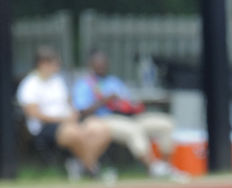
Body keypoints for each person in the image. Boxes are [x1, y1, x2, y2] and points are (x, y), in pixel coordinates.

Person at [72, 49, 177, 178]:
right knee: (134, 130)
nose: (101, 66)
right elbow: (81, 111)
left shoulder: (114, 81)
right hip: (104, 119)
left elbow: (128, 101)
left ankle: (166, 167)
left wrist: (132, 105)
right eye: (97, 63)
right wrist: (104, 101)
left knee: (165, 123)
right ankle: (153, 168)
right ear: (91, 65)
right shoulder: (84, 84)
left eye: (103, 63)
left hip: (129, 117)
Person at [16, 46, 111, 179]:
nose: (58, 67)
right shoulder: (30, 84)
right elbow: (33, 113)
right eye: (55, 64)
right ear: (43, 64)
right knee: (73, 132)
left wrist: (73, 113)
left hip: (68, 121)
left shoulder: (57, 80)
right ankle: (93, 169)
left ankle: (79, 165)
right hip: (44, 128)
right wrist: (61, 119)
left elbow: (68, 102)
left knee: (101, 129)